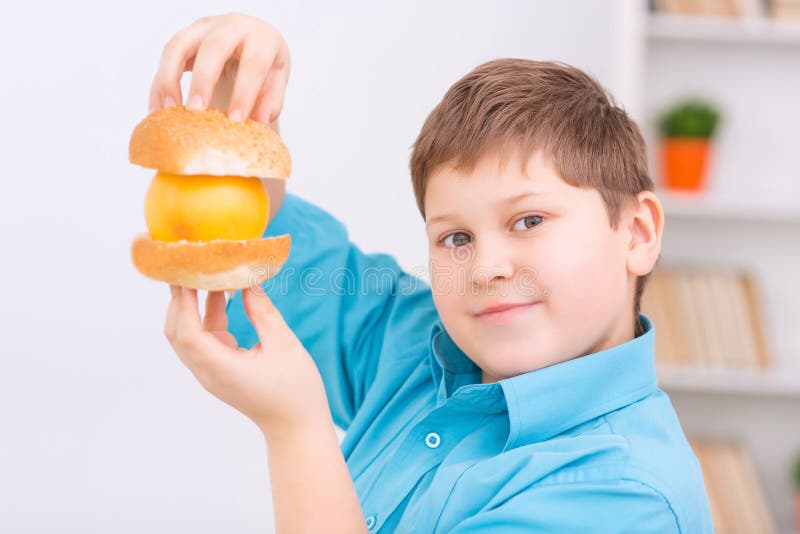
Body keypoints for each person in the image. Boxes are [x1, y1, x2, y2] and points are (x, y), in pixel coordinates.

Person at [157, 12, 714, 533]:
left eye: (529, 221)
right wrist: (238, 113)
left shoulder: (624, 496)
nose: (486, 269)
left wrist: (294, 430)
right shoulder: (414, 345)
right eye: (457, 238)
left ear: (637, 233)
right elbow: (280, 254)